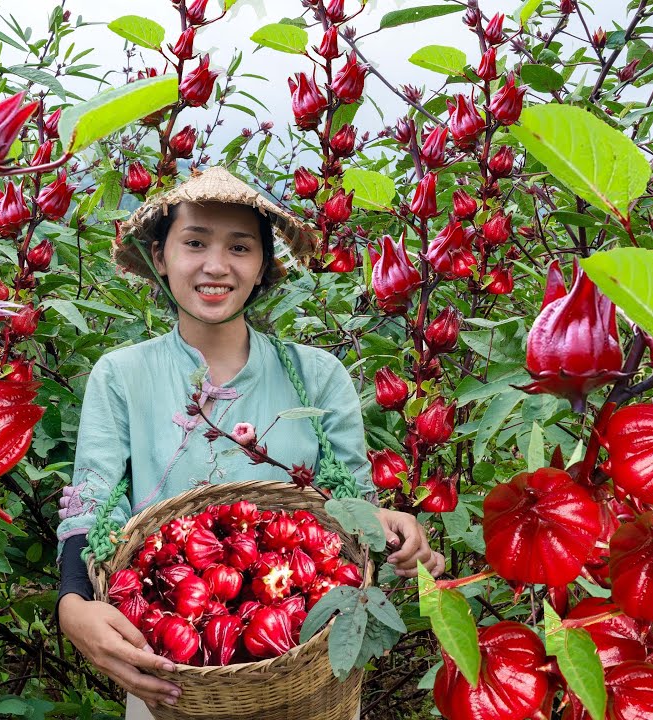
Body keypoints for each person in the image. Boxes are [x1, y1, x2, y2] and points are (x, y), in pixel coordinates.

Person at [54, 167, 445, 717]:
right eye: (194, 243)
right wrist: (73, 604)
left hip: (308, 670)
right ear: (160, 256)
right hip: (173, 670)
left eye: (239, 247)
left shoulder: (317, 377)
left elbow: (350, 506)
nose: (216, 266)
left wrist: (392, 529)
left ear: (263, 265)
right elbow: (93, 506)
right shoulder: (121, 376)